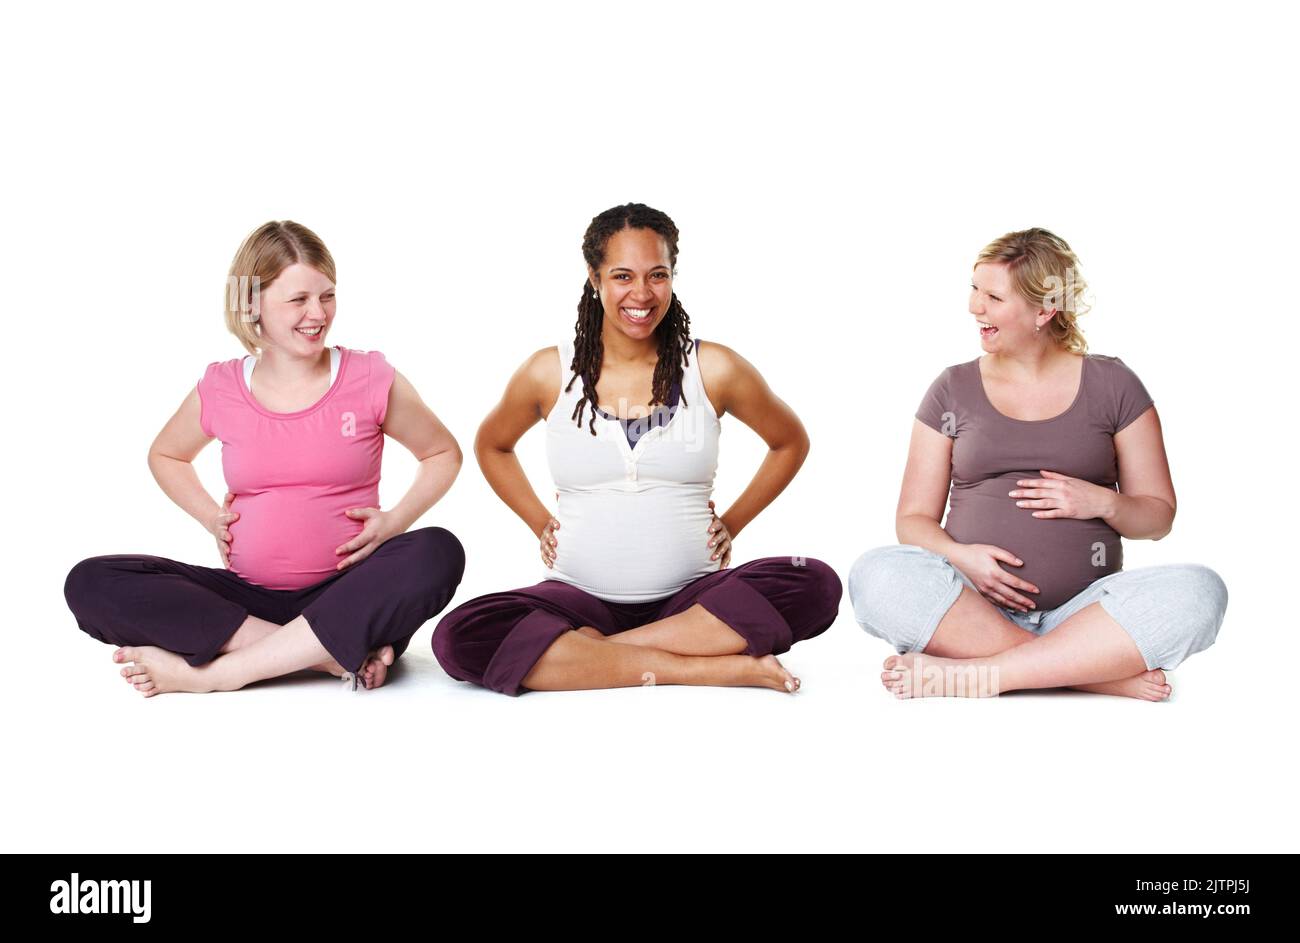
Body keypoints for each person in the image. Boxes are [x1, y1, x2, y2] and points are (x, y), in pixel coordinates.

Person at [431, 203, 841, 696]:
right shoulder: (548, 372)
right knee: (460, 636)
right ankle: (699, 666)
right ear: (594, 277)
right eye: (622, 276)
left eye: (657, 275)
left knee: (813, 583)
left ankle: (597, 654)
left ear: (673, 276)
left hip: (694, 599)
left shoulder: (713, 368)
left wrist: (731, 524)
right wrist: (539, 521)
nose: (642, 294)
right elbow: (492, 445)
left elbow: (789, 441)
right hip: (576, 598)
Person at [63, 220, 466, 695]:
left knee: (437, 551)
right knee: (90, 581)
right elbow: (167, 455)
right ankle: (327, 657)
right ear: (251, 302)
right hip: (246, 603)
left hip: (348, 592)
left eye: (327, 296)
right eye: (298, 300)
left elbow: (442, 452)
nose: (318, 313)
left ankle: (220, 674)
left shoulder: (370, 377)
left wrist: (395, 521)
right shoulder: (221, 386)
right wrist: (211, 517)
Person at [848, 227, 1227, 700]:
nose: (974, 307)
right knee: (875, 574)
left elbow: (1157, 519)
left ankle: (980, 674)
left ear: (1044, 310)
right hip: (968, 606)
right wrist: (962, 557)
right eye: (974, 290)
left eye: (992, 296)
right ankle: (1088, 673)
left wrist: (1102, 502)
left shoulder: (1114, 384)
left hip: (1085, 613)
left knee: (1201, 592)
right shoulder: (952, 388)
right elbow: (912, 521)